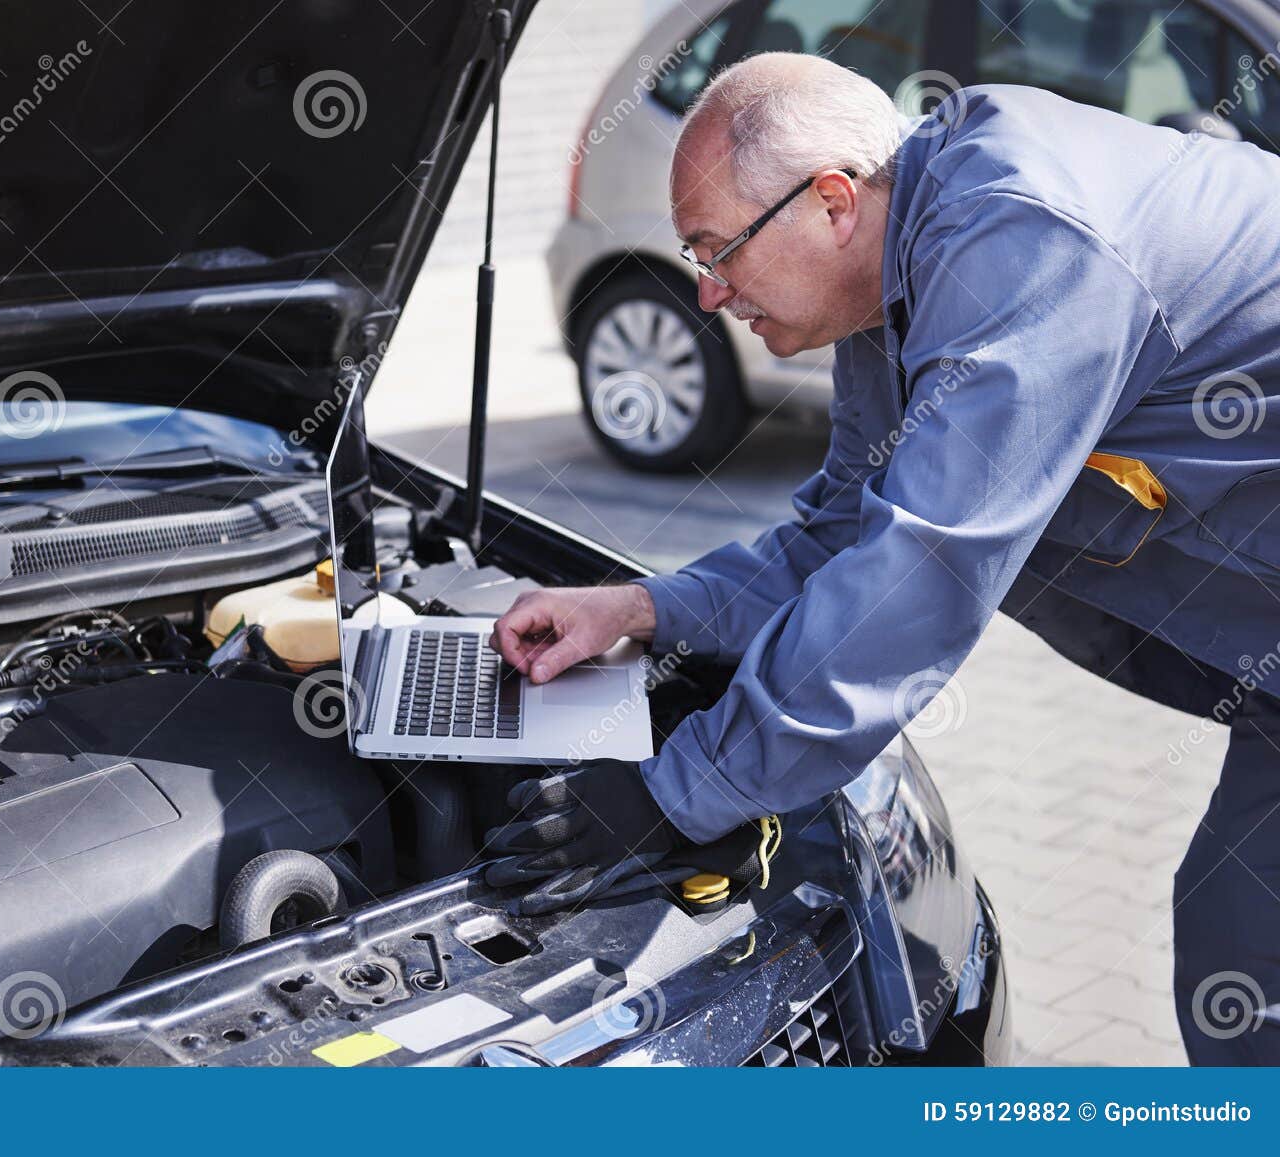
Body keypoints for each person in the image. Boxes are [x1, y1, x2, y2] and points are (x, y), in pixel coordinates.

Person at [484, 53, 1280, 1064]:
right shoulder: (899, 286)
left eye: (713, 250)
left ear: (828, 201)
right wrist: (638, 608)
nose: (707, 295)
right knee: (1244, 954)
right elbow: (846, 534)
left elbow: (919, 570)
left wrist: (672, 793)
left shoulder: (1025, 239)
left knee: (1247, 983)